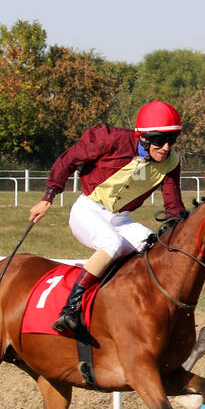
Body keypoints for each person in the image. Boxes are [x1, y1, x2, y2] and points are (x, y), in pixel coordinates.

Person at [29, 101, 186, 341]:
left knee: (154, 248)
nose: (165, 148)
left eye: (171, 141)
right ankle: (70, 308)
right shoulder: (110, 140)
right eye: (158, 140)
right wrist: (48, 196)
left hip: (121, 219)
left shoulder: (171, 163)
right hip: (88, 211)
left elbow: (173, 203)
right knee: (111, 244)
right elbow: (69, 158)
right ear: (142, 137)